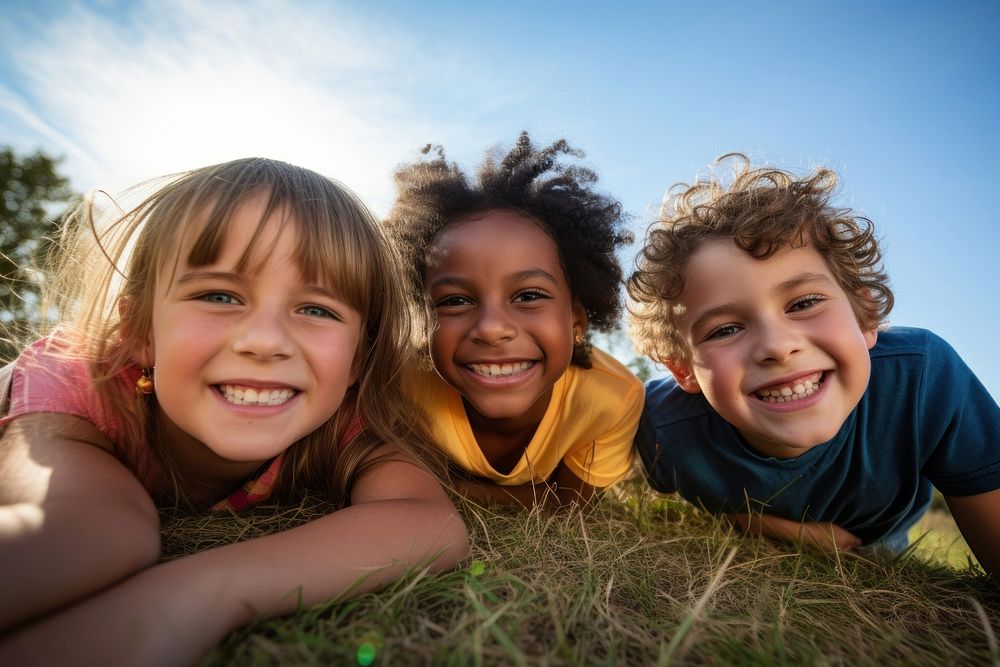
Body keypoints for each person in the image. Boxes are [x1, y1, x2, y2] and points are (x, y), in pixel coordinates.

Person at [0, 158, 469, 664]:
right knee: (113, 535)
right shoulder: (77, 378)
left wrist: (204, 590)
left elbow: (428, 523)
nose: (265, 342)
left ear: (357, 358)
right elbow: (76, 522)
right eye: (219, 295)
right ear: (140, 331)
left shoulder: (345, 421)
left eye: (316, 309)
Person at [627, 154, 1000, 577]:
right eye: (725, 329)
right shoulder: (659, 425)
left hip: (879, 532)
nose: (778, 347)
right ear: (682, 370)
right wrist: (752, 520)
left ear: (865, 316)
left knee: (878, 567)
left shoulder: (923, 377)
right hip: (754, 522)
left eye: (804, 303)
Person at [384, 132, 643, 507]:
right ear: (423, 318)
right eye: (455, 300)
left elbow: (571, 503)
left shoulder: (609, 398)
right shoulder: (397, 383)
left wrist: (456, 490)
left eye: (528, 296)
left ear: (576, 320)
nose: (491, 328)